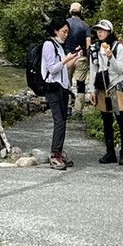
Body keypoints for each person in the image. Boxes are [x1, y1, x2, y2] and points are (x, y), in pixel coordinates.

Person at [87, 18, 123, 166]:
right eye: (98, 30)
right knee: (106, 121)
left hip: (115, 88)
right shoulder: (94, 48)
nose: (99, 32)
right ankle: (110, 152)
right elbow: (93, 69)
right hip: (102, 89)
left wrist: (110, 57)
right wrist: (91, 90)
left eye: (103, 30)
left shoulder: (118, 47)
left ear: (109, 32)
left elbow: (120, 69)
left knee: (121, 119)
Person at [42, 13, 82, 170]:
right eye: (64, 31)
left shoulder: (59, 45)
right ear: (55, 31)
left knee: (63, 120)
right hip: (53, 88)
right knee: (59, 120)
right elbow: (52, 69)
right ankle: (54, 153)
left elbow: (64, 67)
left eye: (67, 32)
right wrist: (65, 60)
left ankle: (58, 151)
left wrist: (76, 58)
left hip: (63, 88)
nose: (66, 34)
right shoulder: (48, 45)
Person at [64, 1, 91, 116]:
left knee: (66, 83)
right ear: (80, 12)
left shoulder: (65, 24)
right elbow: (88, 45)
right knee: (80, 84)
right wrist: (88, 58)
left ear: (70, 11)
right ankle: (78, 111)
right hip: (81, 57)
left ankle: (67, 108)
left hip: (67, 57)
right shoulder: (85, 26)